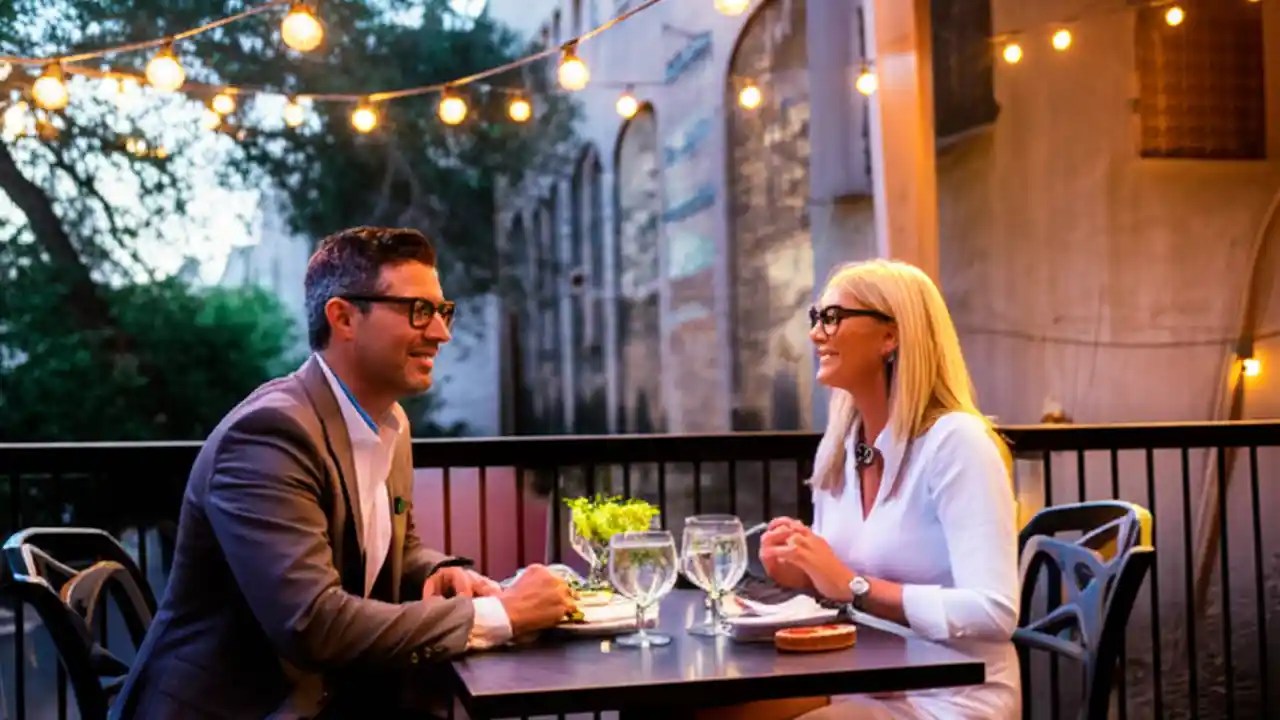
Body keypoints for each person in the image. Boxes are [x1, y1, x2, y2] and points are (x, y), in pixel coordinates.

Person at [112, 226, 574, 720]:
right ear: (344, 317)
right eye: (419, 311)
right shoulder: (269, 435)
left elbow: (398, 547)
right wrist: (502, 614)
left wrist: (442, 573)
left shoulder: (388, 420)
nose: (441, 333)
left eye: (443, 311)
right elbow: (313, 624)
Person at [720, 259, 1021, 719]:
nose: (817, 334)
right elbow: (838, 593)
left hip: (950, 699)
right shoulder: (841, 445)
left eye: (833, 317)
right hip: (861, 686)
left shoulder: (957, 442)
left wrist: (852, 585)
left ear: (890, 336)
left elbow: (995, 612)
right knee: (690, 711)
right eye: (816, 318)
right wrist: (801, 572)